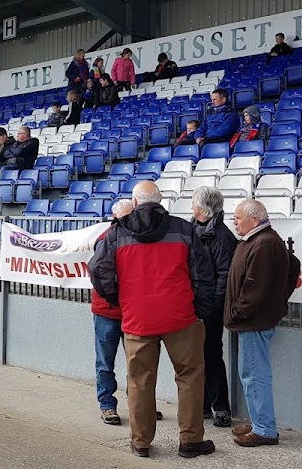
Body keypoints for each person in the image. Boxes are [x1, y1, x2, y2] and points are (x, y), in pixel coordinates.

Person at [88, 183, 216, 459]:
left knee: (139, 381)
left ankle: (141, 442)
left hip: (137, 318)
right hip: (181, 316)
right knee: (190, 376)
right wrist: (200, 309)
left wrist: (118, 300)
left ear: (135, 202)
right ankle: (191, 440)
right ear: (161, 201)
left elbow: (98, 269)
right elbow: (203, 273)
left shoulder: (118, 231)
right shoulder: (183, 229)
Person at [227, 199, 298, 447]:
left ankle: (265, 429)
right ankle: (259, 421)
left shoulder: (265, 243)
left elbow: (254, 289)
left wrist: (237, 312)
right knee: (251, 374)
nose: (234, 221)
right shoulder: (260, 240)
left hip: (253, 321)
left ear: (254, 219)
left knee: (255, 375)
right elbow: (294, 266)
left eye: (238, 217)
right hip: (252, 320)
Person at [91, 201, 164, 426]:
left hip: (128, 309)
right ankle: (108, 405)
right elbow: (101, 272)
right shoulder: (107, 238)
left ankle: (139, 405)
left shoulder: (132, 238)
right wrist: (116, 297)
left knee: (138, 362)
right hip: (111, 310)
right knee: (107, 361)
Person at [189, 186, 237, 429]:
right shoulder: (191, 231)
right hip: (193, 305)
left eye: (194, 203)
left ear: (203, 209)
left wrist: (213, 307)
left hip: (209, 308)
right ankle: (204, 405)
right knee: (196, 357)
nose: (191, 207)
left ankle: (221, 408)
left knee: (212, 356)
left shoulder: (222, 237)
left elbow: (224, 276)